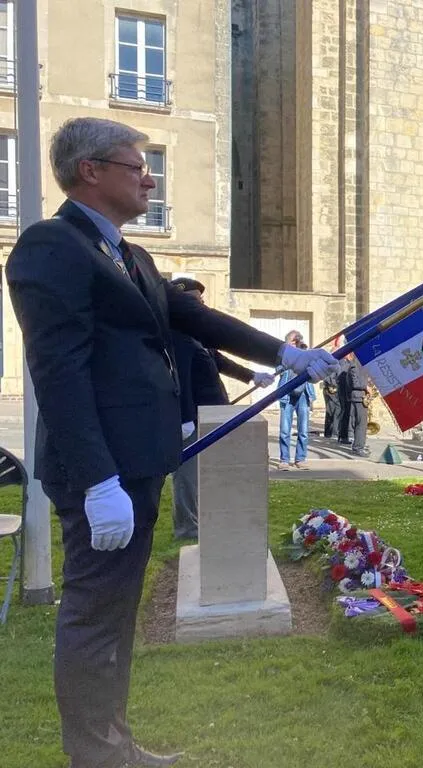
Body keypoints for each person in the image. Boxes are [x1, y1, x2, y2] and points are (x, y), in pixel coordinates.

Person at [6, 117, 338, 768]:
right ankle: (95, 756)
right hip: (102, 472)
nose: (149, 179)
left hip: (136, 465)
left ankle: (114, 745)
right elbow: (58, 370)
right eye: (137, 166)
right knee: (94, 616)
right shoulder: (53, 245)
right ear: (90, 171)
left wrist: (284, 354)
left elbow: (191, 316)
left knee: (115, 616)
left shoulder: (129, 255)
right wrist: (98, 480)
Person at [167, 278, 274, 539]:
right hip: (193, 416)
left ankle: (208, 517)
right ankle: (187, 527)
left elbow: (219, 360)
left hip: (213, 414)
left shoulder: (198, 334)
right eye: (195, 301)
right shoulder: (176, 334)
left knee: (210, 470)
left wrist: (252, 376)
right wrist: (183, 417)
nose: (201, 306)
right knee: (188, 474)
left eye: (201, 301)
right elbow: (179, 377)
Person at [277, 332, 318, 469]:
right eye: (293, 341)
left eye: (297, 341)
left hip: (303, 394)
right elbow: (278, 369)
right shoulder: (281, 355)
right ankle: (284, 460)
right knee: (285, 429)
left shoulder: (305, 353)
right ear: (287, 343)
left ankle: (300, 459)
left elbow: (314, 370)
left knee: (303, 430)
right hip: (287, 394)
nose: (296, 343)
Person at [348, 358, 371, 457]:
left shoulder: (360, 363)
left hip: (360, 396)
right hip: (359, 397)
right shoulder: (355, 364)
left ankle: (359, 445)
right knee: (361, 424)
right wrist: (366, 387)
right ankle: (358, 448)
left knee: (360, 423)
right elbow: (355, 383)